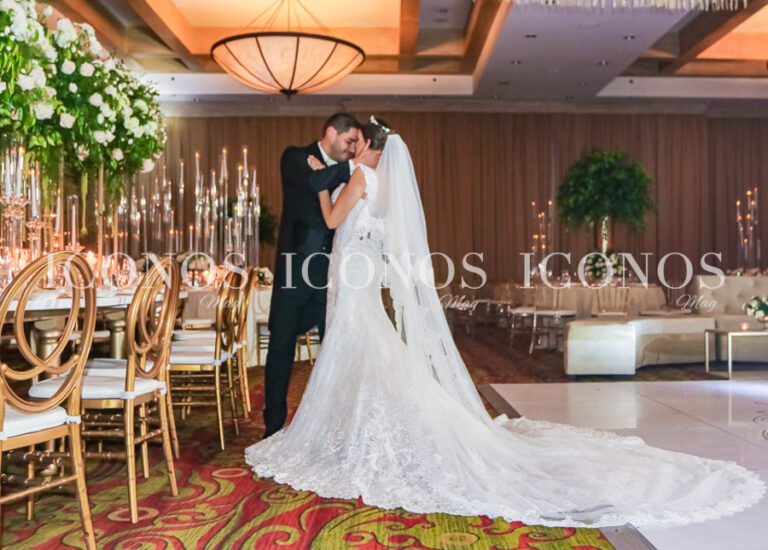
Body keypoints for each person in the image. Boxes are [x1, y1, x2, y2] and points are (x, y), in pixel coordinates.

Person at [247, 117, 765, 527]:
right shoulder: (384, 185)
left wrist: (321, 190)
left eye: (356, 142)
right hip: (360, 277)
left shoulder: (360, 176)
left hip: (351, 281)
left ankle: (353, 437)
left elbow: (335, 220)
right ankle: (355, 433)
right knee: (365, 356)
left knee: (357, 353)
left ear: (367, 147)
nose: (351, 148)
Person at [262, 112, 380, 438]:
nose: (353, 148)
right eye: (349, 141)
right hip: (294, 274)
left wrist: (355, 167)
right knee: (281, 347)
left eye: (357, 143)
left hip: (332, 276)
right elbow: (316, 183)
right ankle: (272, 424)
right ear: (331, 133)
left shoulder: (354, 171)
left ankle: (335, 425)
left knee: (335, 349)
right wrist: (353, 165)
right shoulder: (297, 158)